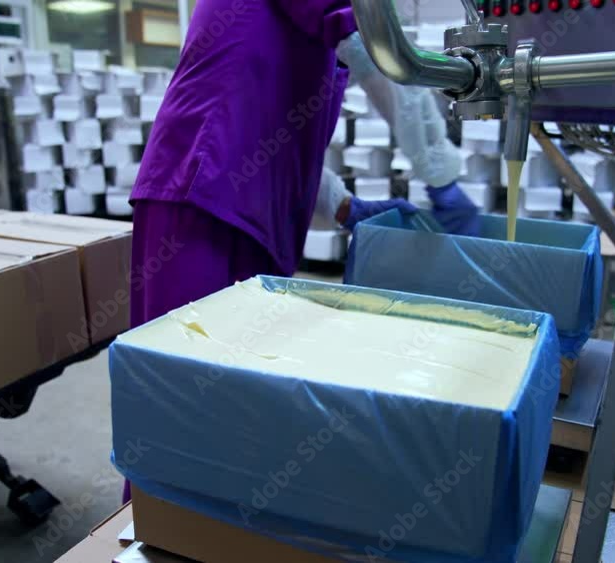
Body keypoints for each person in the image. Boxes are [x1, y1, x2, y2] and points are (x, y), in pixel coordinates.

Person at [123, 0, 478, 500]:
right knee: (180, 409)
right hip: (199, 199)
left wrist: (343, 206)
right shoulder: (343, 17)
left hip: (249, 211)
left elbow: (277, 118)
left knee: (234, 413)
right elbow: (386, 61)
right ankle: (154, 537)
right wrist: (441, 175)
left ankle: (208, 538)